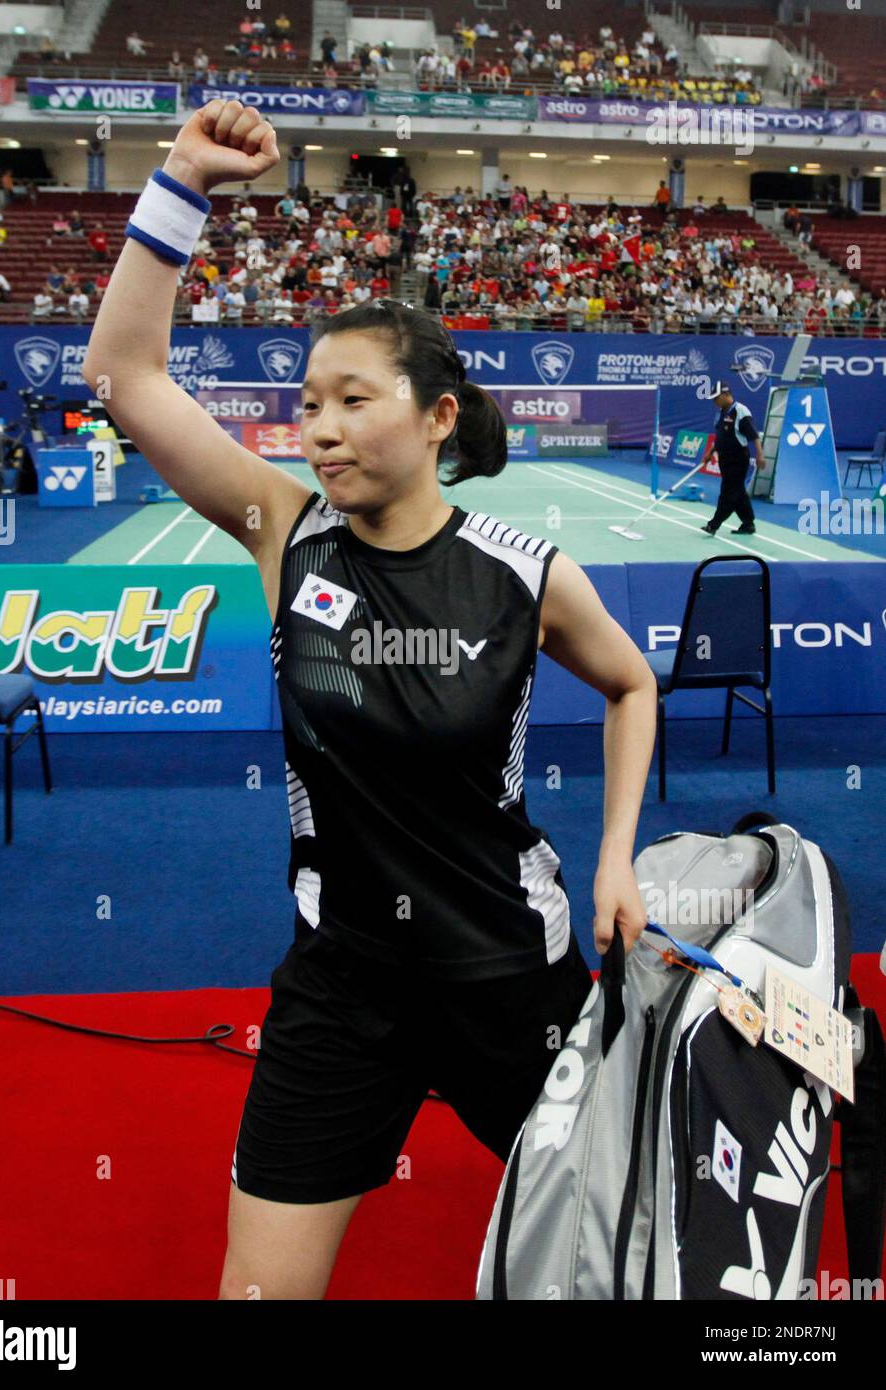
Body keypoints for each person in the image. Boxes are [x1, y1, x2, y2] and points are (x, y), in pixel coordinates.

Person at [84, 97, 654, 1302]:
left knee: (617, 1263)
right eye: (306, 403)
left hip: (511, 973)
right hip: (341, 985)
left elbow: (630, 682)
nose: (319, 429)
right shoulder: (283, 535)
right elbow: (124, 375)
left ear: (437, 417)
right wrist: (181, 181)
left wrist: (616, 859)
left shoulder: (524, 573)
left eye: (353, 399)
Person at [699, 380, 766, 536]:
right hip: (724, 458)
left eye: (717, 398)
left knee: (728, 492)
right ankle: (748, 524)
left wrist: (760, 455)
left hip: (738, 458)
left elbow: (754, 436)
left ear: (726, 394)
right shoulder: (721, 412)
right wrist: (710, 452)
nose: (715, 401)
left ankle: (713, 525)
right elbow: (720, 437)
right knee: (738, 492)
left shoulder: (741, 411)